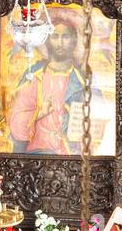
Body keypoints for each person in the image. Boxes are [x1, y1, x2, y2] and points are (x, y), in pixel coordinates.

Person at [8, 10, 103, 156]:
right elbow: (15, 124)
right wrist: (40, 113)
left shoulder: (84, 79)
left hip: (74, 154)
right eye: (55, 37)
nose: (60, 42)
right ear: (47, 40)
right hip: (38, 153)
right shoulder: (34, 76)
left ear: (74, 40)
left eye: (65, 36)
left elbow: (98, 121)